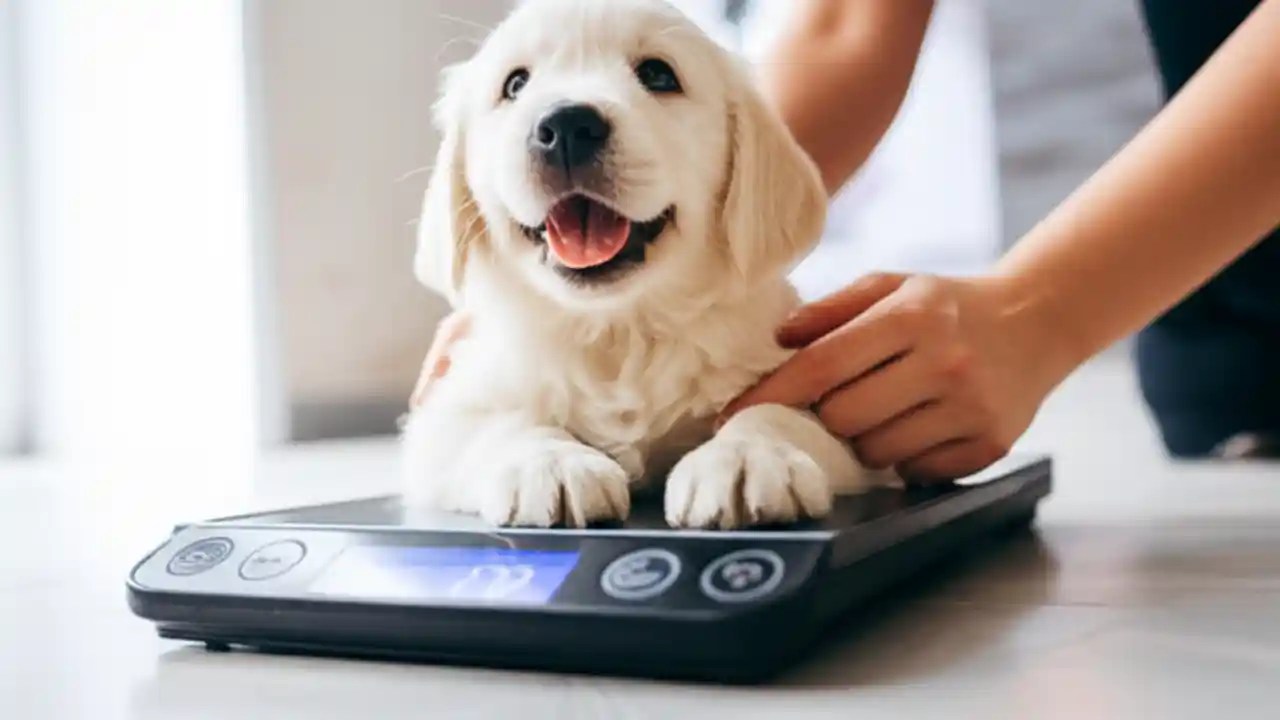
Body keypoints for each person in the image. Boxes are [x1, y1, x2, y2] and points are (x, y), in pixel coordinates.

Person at [413, 0, 1280, 479]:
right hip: (1236, 349)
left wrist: (1039, 313)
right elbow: (851, 23)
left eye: (652, 75)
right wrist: (707, 223)